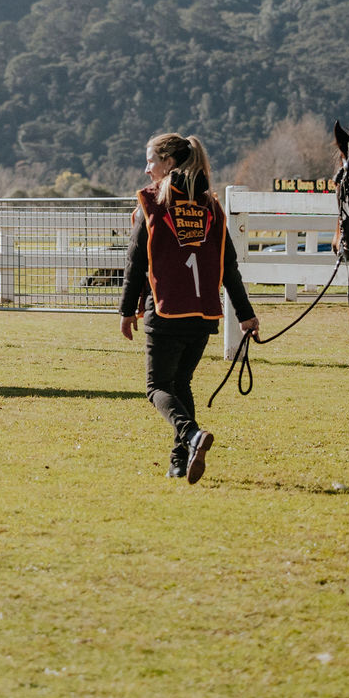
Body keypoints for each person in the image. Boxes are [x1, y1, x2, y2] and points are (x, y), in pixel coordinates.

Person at [118, 132, 258, 483]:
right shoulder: (211, 206)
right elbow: (229, 266)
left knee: (157, 387)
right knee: (181, 383)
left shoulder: (152, 203)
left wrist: (125, 311)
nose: (146, 168)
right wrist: (246, 315)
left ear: (168, 163)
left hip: (165, 312)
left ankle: (193, 436)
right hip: (203, 317)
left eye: (151, 161)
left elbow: (135, 264)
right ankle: (180, 461)